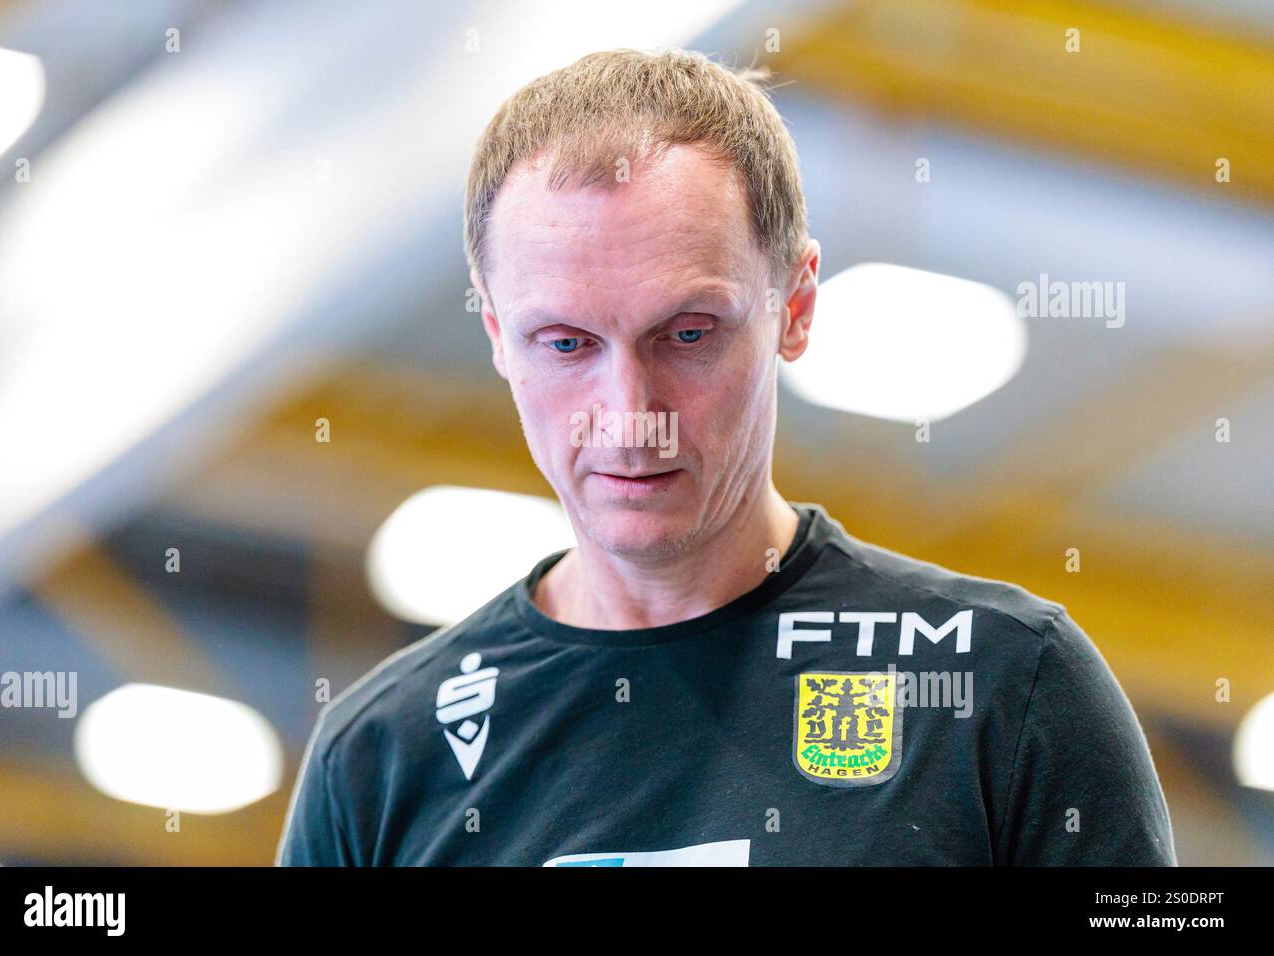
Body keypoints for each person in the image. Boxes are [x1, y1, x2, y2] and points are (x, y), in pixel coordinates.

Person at [275, 48, 1175, 866]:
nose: (630, 418)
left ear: (795, 305)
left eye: (688, 333)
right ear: (498, 335)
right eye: (566, 344)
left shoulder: (1006, 689)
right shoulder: (384, 760)